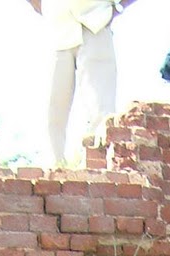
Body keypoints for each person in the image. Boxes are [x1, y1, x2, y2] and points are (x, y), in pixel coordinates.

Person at [26, 0, 141, 167]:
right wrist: (44, 7)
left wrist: (119, 7)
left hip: (95, 24)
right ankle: (54, 167)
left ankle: (101, 166)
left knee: (100, 107)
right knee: (53, 108)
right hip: (58, 29)